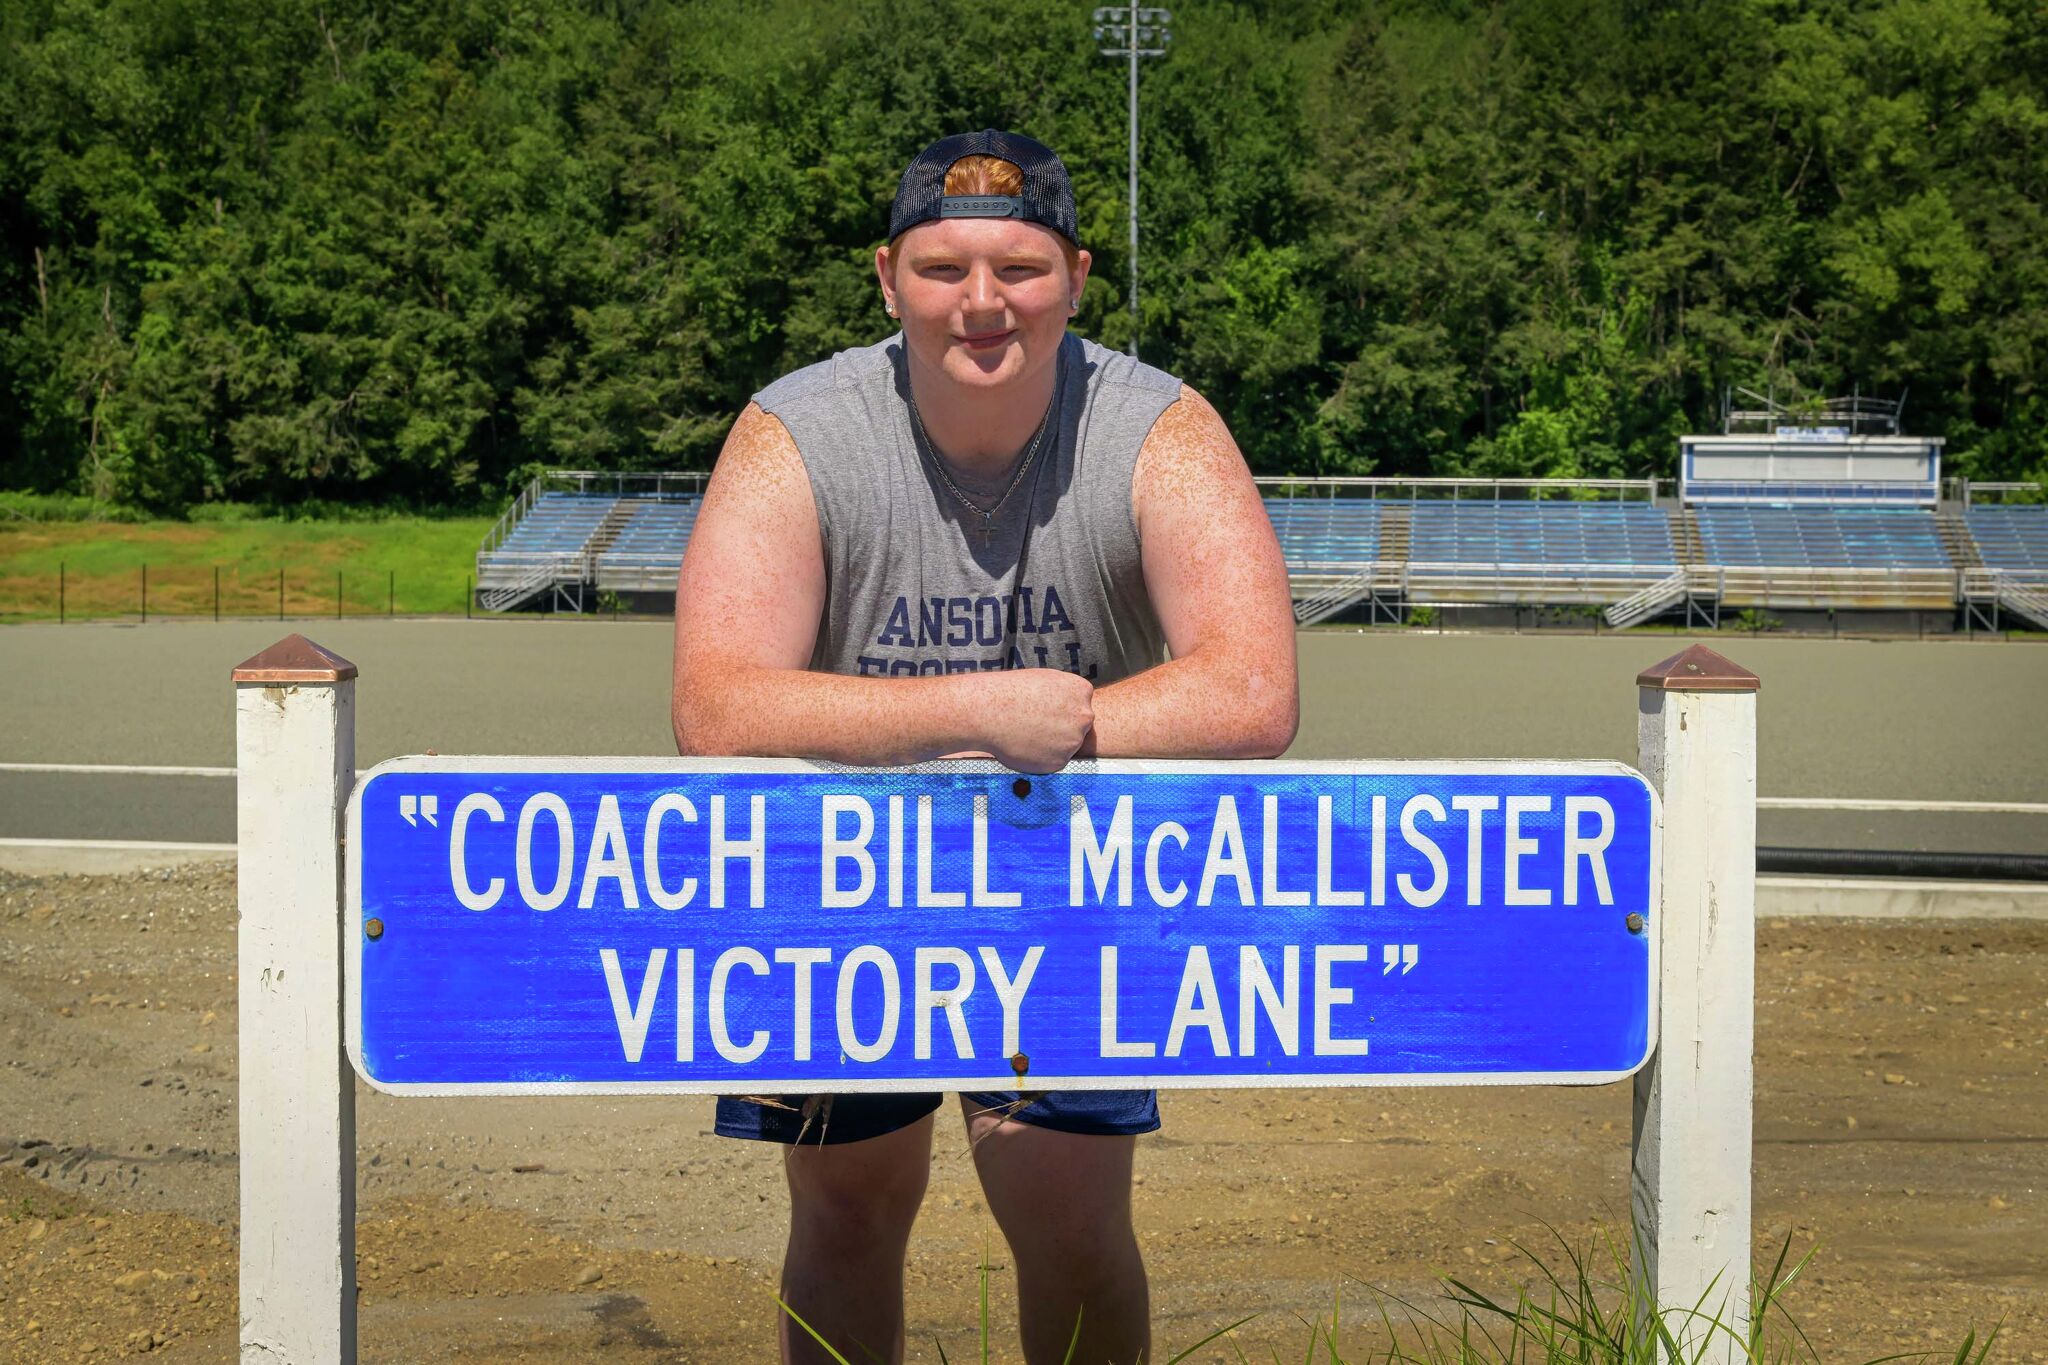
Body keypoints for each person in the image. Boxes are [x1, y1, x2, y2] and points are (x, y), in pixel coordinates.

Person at [671, 128, 1297, 1365]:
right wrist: (976, 714)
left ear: (1072, 273)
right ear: (886, 278)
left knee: (1065, 1218)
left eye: (1017, 267)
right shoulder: (797, 430)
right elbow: (716, 705)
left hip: (1061, 863)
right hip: (845, 862)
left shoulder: (1155, 426)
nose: (981, 302)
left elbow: (1253, 693)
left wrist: (1064, 728)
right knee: (847, 1207)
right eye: (944, 266)